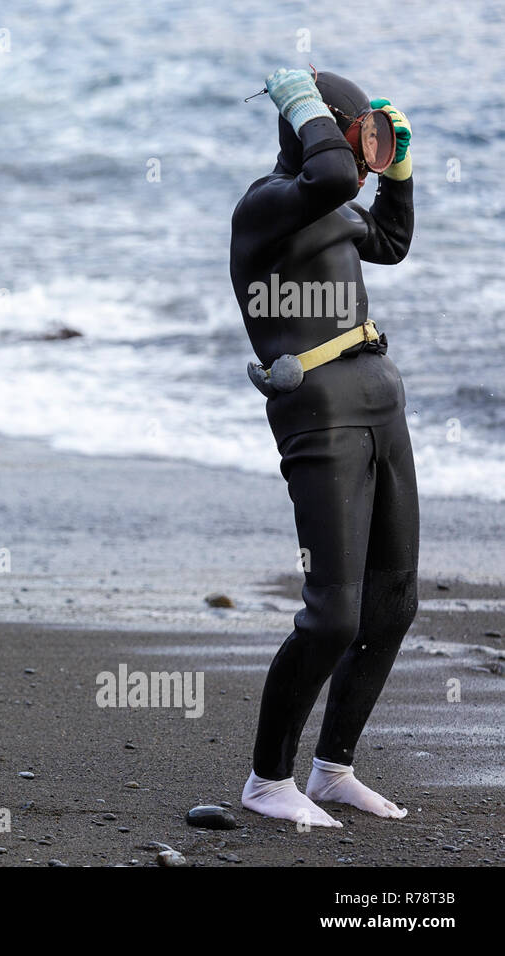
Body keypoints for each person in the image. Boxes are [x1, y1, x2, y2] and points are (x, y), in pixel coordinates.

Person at [229, 68, 417, 827]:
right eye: (362, 133)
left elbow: (394, 241)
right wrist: (302, 98)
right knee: (331, 615)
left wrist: (399, 164)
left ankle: (334, 769)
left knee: (393, 601)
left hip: (380, 400)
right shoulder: (267, 206)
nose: (365, 151)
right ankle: (267, 781)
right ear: (320, 128)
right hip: (320, 414)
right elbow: (335, 174)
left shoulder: (334, 209)